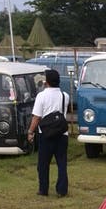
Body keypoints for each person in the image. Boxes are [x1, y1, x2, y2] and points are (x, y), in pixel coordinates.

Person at [27, 68, 69, 197]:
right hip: (62, 134)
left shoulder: (42, 96)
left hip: (45, 134)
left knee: (43, 164)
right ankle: (62, 189)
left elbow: (36, 117)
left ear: (47, 82)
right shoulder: (65, 96)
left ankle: (43, 189)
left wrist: (30, 131)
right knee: (62, 163)